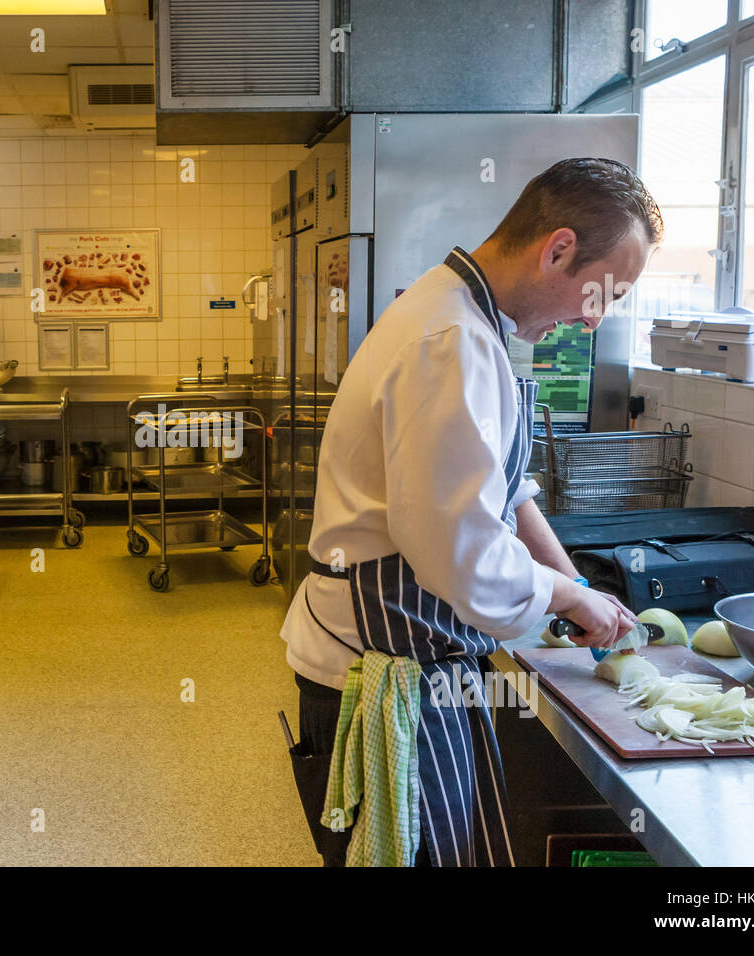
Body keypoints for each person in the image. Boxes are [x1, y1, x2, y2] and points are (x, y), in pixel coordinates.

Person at [281, 158, 663, 866]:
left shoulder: (466, 317)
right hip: (381, 672)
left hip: (413, 662)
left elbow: (505, 495)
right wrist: (567, 595)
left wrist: (576, 588)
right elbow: (467, 563)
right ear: (558, 249)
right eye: (606, 292)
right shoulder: (449, 341)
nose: (594, 318)